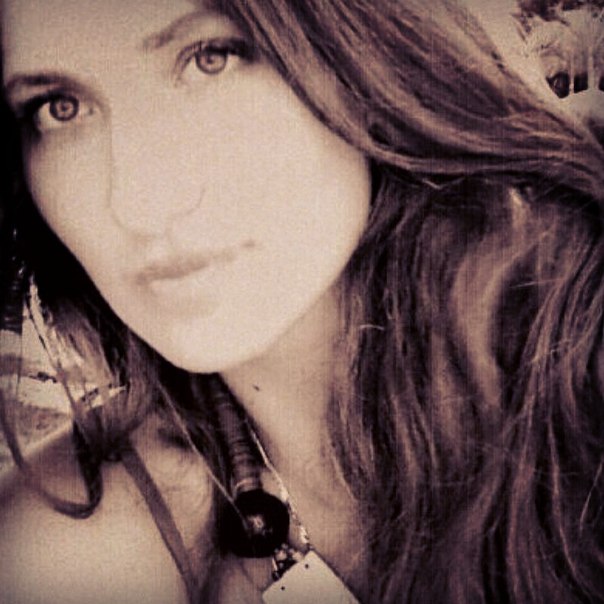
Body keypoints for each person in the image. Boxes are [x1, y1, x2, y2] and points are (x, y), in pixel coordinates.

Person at [1, 0, 603, 602]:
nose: (137, 203)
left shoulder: (579, 365)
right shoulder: (60, 551)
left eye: (211, 58)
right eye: (60, 107)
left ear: (365, 45)